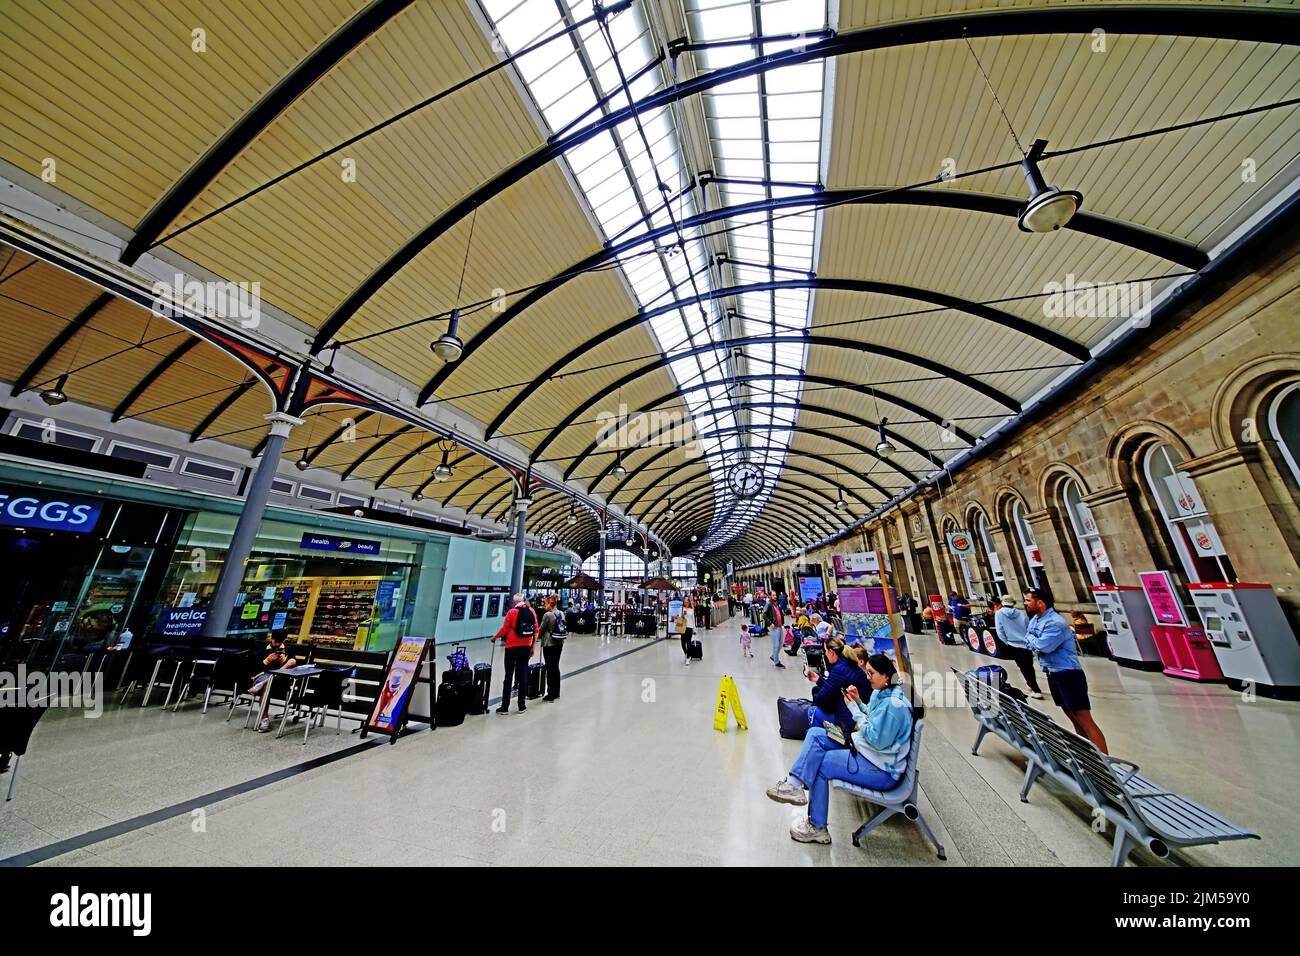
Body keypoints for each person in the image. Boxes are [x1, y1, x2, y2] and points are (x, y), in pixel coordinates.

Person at [768, 653, 915, 845]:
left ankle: (817, 827)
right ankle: (794, 784)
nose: (867, 677)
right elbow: (873, 718)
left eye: (871, 673)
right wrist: (859, 702)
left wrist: (854, 709)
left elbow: (876, 739)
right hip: (868, 752)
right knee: (815, 733)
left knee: (821, 765)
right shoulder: (884, 692)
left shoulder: (894, 706)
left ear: (886, 675)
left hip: (881, 769)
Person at [1025, 586, 1108, 753]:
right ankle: (1087, 757)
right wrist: (1033, 640)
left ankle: (1105, 765)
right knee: (1073, 717)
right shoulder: (1036, 620)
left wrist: (1032, 640)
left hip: (1068, 674)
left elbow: (1043, 646)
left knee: (1084, 719)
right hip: (1052, 672)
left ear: (1040, 603)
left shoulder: (1055, 622)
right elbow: (1028, 639)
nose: (1025, 603)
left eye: (1028, 600)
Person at [803, 636, 868, 731]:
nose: (825, 654)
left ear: (831, 652)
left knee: (812, 711)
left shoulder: (839, 669)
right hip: (857, 713)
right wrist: (819, 680)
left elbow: (822, 699)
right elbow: (835, 686)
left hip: (848, 720)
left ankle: (827, 739)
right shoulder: (849, 664)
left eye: (825, 651)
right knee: (817, 691)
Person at [492, 592, 537, 715]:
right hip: (526, 647)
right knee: (523, 675)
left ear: (514, 602)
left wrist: (495, 637)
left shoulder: (512, 612)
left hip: (512, 647)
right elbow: (535, 630)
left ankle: (505, 706)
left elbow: (505, 629)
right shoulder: (531, 611)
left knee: (508, 675)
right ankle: (521, 705)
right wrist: (532, 646)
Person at [993, 596, 1043, 699]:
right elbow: (1028, 627)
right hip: (1025, 643)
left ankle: (1035, 689)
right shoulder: (1021, 613)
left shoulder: (999, 614)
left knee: (1023, 667)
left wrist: (1007, 642)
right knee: (1029, 666)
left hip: (1013, 644)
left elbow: (1000, 631)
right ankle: (1032, 685)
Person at [248, 629, 297, 732]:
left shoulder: (288, 650)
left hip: (280, 679)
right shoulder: (262, 649)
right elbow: (254, 667)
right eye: (275, 642)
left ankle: (261, 685)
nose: (277, 645)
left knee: (291, 662)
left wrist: (284, 661)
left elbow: (295, 667)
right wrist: (267, 661)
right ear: (271, 638)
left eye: (279, 643)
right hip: (263, 676)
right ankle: (264, 719)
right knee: (268, 683)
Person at [538, 595, 565, 701]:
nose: (545, 605)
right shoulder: (561, 613)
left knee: (549, 667)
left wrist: (535, 638)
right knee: (556, 666)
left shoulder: (547, 615)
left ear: (550, 604)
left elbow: (541, 629)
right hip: (559, 642)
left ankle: (550, 693)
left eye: (546, 603)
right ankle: (557, 691)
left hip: (549, 643)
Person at [763, 595, 785, 668]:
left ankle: (773, 656)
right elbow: (764, 614)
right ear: (770, 596)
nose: (775, 596)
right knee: (776, 644)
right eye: (773, 595)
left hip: (779, 625)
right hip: (774, 626)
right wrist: (770, 623)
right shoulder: (769, 604)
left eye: (775, 595)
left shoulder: (776, 604)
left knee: (781, 642)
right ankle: (777, 661)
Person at [673, 598, 696, 664]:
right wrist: (682, 616)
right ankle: (686, 653)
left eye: (687, 602)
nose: (686, 603)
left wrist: (694, 629)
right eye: (685, 602)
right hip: (683, 627)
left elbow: (693, 620)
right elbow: (678, 617)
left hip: (689, 627)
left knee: (688, 643)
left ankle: (688, 657)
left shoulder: (691, 610)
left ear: (689, 602)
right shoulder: (681, 609)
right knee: (683, 643)